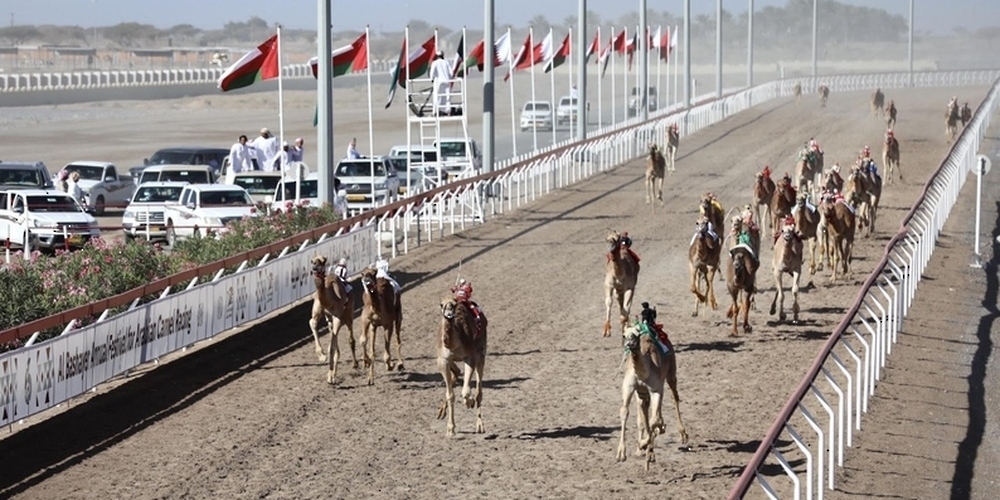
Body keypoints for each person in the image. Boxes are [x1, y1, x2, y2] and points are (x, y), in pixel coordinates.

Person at [428, 50, 452, 116]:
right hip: (447, 81)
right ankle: (448, 111)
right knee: (447, 96)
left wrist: (431, 79)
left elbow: (431, 73)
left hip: (438, 82)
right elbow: (451, 73)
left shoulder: (435, 63)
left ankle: (435, 112)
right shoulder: (446, 62)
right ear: (442, 56)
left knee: (436, 96)